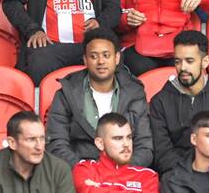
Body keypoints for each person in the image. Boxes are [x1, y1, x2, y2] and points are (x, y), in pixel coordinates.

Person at [47, 31, 154, 166]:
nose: (101, 61)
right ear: (85, 60)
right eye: (93, 56)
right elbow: (56, 143)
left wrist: (122, 172)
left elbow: (144, 146)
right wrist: (83, 171)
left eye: (106, 55)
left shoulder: (134, 93)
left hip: (123, 174)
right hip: (80, 170)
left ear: (117, 58)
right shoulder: (66, 93)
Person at [147, 32, 209, 173]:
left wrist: (207, 172)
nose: (182, 68)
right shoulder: (160, 101)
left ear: (205, 62)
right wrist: (191, 173)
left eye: (189, 61)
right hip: (176, 178)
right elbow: (162, 154)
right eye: (177, 61)